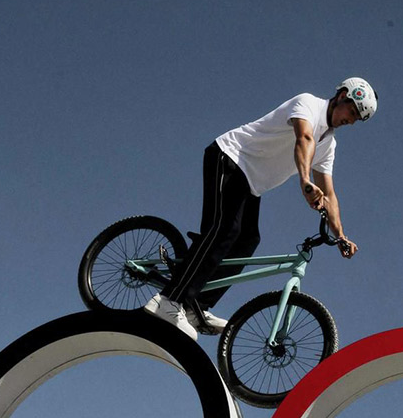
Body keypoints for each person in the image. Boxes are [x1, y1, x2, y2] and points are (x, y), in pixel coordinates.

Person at [148, 79, 374, 336]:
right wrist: (305, 181)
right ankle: (168, 300)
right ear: (341, 96)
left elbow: (330, 194)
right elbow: (304, 137)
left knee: (248, 241)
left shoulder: (329, 145)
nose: (351, 121)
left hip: (251, 183)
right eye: (352, 112)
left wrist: (341, 236)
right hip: (230, 158)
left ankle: (196, 305)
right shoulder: (308, 104)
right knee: (224, 230)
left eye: (357, 120)